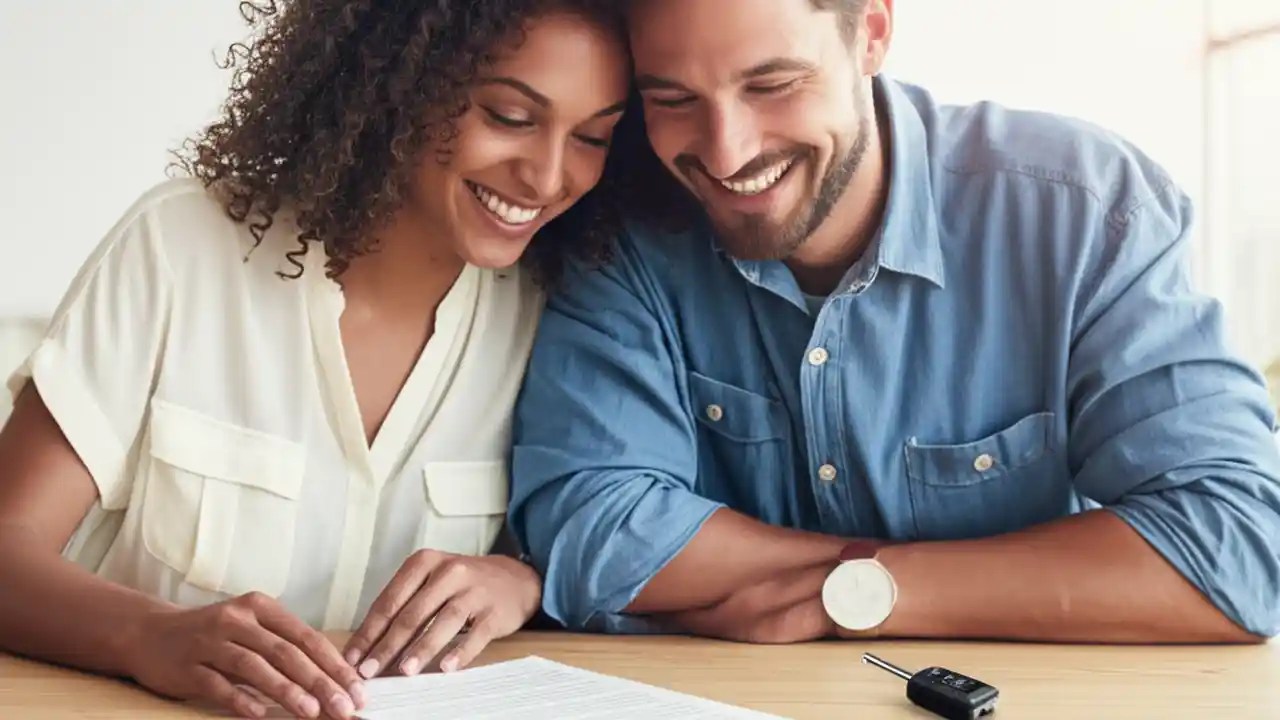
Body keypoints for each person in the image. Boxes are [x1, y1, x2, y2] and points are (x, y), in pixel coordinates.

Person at [508, 0, 1280, 645]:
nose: (727, 150)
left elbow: (1236, 548)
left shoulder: (1084, 211)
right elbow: (591, 528)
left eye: (773, 84)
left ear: (871, 31)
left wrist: (871, 592)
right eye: (672, 99)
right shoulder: (627, 229)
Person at [0, 1, 629, 718]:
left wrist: (521, 581)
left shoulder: (553, 312)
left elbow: (584, 546)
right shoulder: (180, 250)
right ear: (403, 81)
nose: (548, 177)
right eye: (510, 117)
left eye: (593, 137)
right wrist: (149, 636)